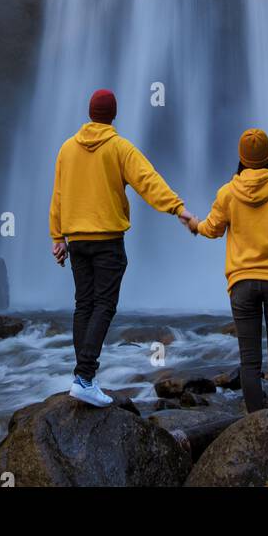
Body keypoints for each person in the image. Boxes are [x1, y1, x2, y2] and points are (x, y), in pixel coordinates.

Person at [49, 88, 196, 407]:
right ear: (113, 115)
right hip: (107, 241)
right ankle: (85, 378)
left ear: (89, 114)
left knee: (83, 305)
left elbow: (58, 195)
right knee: (104, 306)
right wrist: (178, 209)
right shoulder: (119, 148)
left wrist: (57, 237)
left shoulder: (67, 149)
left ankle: (82, 377)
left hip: (77, 241)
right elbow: (148, 181)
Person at [187, 128, 268, 412]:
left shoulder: (228, 193)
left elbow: (212, 229)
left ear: (241, 157)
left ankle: (255, 424)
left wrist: (195, 225)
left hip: (242, 283)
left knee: (250, 362)